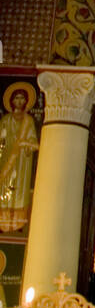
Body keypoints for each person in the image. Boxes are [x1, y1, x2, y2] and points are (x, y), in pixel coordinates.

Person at [0, 87, 39, 231]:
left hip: (23, 161)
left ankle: (18, 223)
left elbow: (35, 142)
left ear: (26, 101)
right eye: (16, 98)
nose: (19, 101)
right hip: (6, 159)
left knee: (19, 190)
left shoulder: (28, 121)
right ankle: (2, 222)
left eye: (22, 98)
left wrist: (25, 144)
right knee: (4, 190)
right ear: (11, 100)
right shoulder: (5, 120)